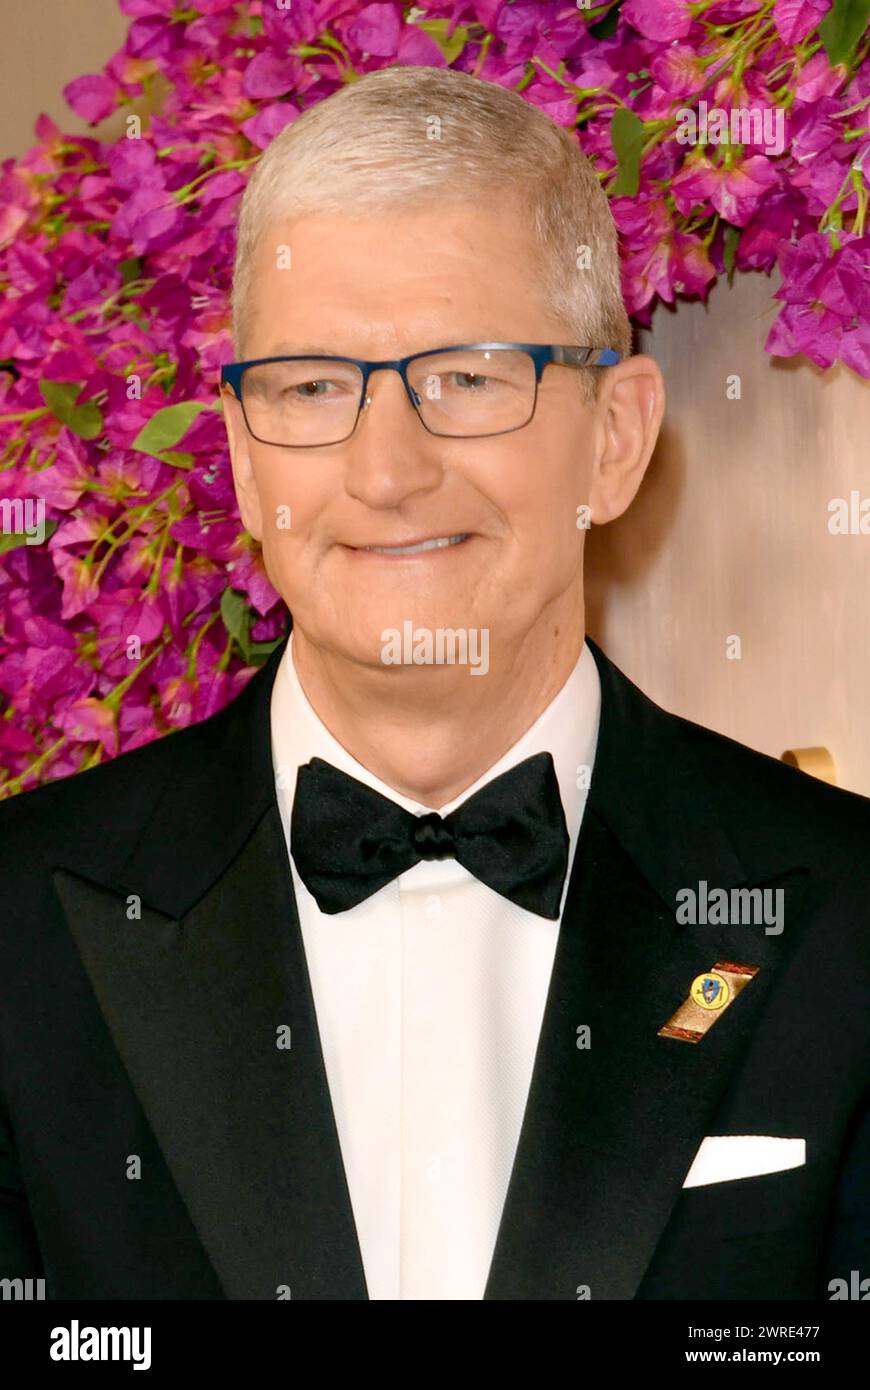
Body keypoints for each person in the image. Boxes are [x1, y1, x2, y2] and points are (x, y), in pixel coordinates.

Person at [0, 64, 867, 1302]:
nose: (388, 472)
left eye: (466, 377)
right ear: (244, 465)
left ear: (613, 441)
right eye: (311, 388)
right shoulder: (20, 929)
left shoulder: (849, 915)